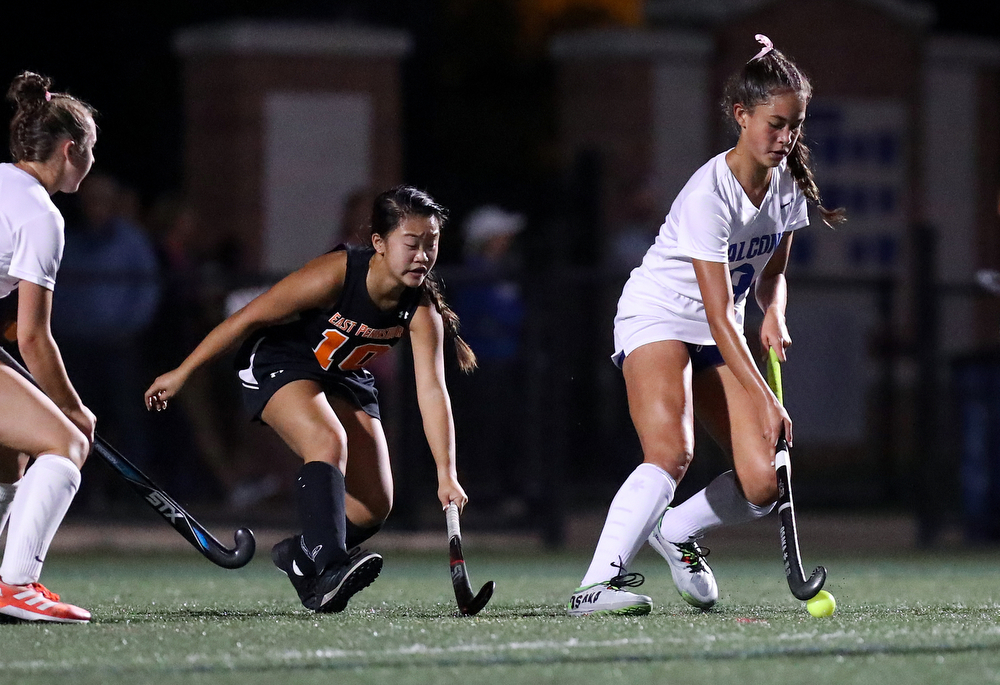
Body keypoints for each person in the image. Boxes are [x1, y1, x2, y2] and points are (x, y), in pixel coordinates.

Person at [567, 35, 845, 617]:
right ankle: (595, 584)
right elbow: (719, 315)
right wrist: (766, 398)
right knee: (671, 452)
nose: (785, 138)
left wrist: (775, 311)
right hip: (660, 315)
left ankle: (677, 531)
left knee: (762, 484)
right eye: (774, 124)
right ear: (741, 116)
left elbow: (771, 277)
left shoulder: (788, 183)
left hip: (717, 330)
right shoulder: (708, 195)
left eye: (794, 126)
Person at [144, 185, 476, 613]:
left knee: (376, 503)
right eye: (411, 243)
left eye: (431, 244)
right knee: (327, 441)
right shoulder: (336, 272)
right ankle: (328, 568)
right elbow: (249, 315)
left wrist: (446, 473)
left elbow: (433, 391)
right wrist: (183, 371)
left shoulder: (421, 308)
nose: (422, 256)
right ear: (378, 242)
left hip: (343, 374)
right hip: (281, 360)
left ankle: (302, 558)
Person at [0, 71, 99, 623]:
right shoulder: (41, 214)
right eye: (90, 151)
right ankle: (16, 586)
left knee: (10, 455)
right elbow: (34, 337)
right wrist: (72, 408)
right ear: (70, 149)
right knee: (64, 446)